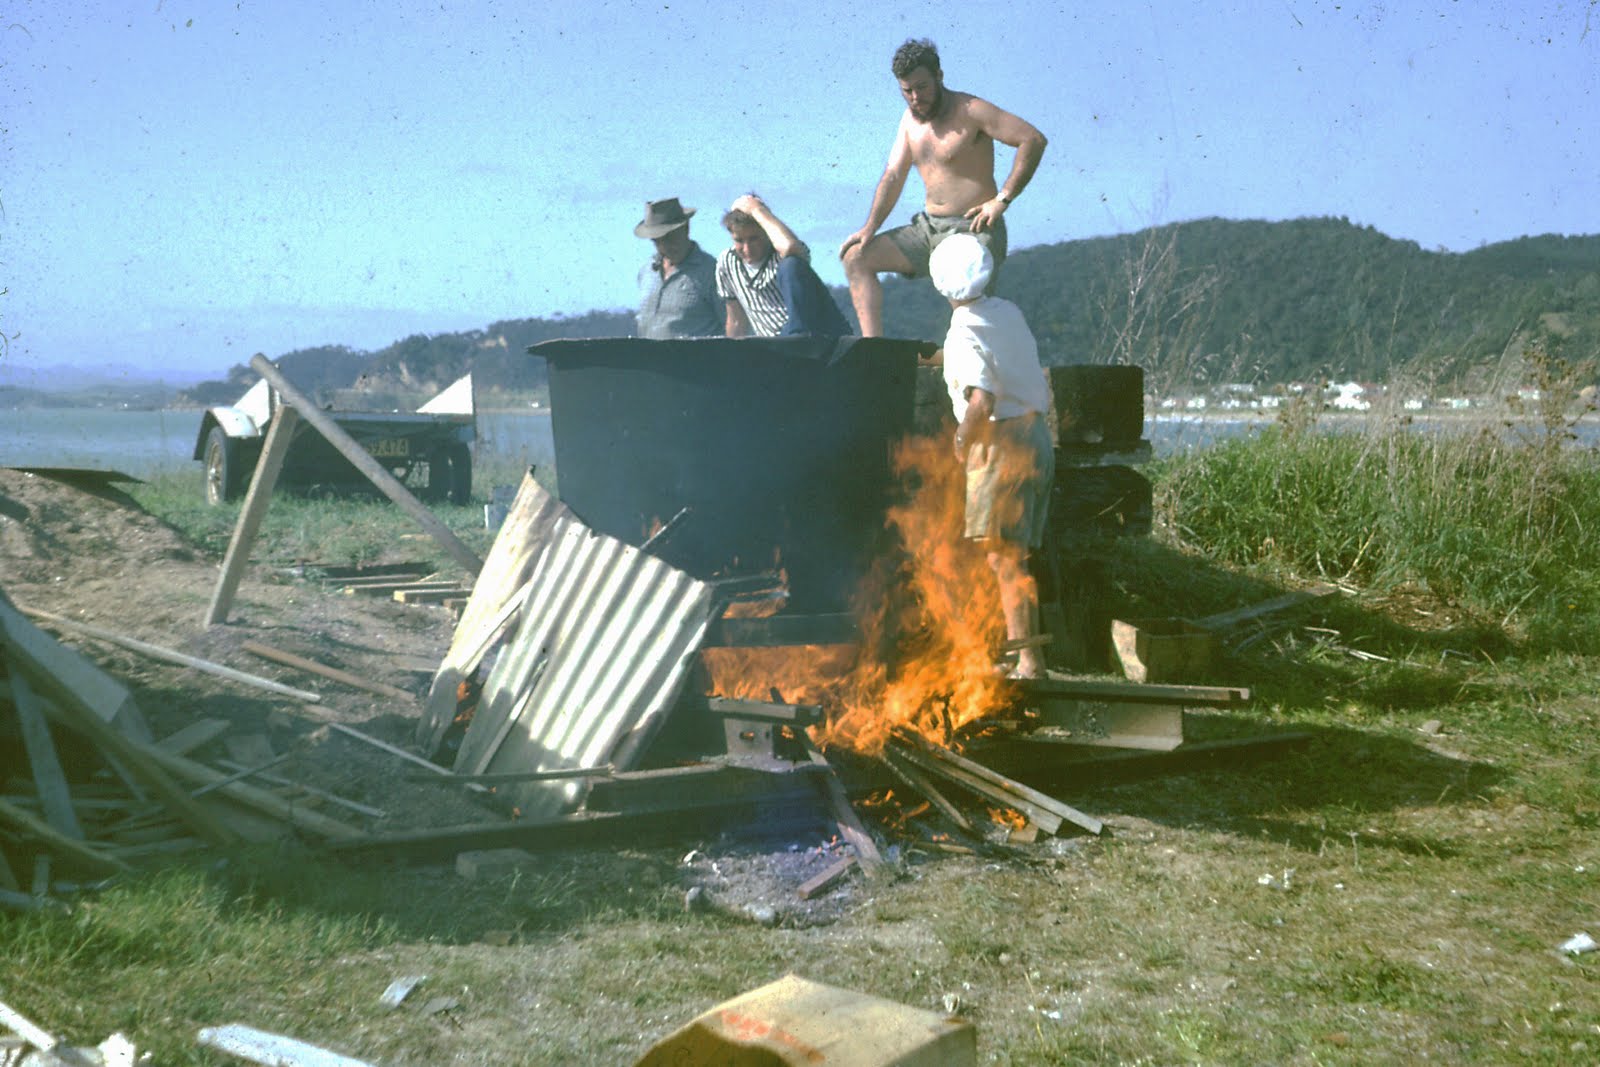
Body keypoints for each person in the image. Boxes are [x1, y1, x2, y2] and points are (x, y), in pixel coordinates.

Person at [839, 38, 1047, 337]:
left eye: (921, 87)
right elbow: (894, 176)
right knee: (856, 256)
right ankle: (875, 352)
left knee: (968, 323)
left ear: (939, 76)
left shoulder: (971, 110)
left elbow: (1032, 139)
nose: (914, 98)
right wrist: (869, 228)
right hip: (928, 229)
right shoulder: (910, 121)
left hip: (972, 227)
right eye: (906, 91)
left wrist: (1002, 199)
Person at [930, 233, 1054, 680]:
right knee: (1016, 557)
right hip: (1036, 436)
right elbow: (996, 354)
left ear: (941, 286)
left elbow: (981, 400)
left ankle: (1027, 662)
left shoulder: (962, 332)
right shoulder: (1007, 312)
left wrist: (962, 442)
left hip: (1000, 443)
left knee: (1004, 561)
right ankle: (1021, 655)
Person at [716, 194, 852, 337]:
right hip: (776, 343)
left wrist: (757, 210)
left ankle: (796, 338)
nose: (747, 249)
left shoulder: (783, 252)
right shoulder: (727, 261)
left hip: (818, 333)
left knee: (791, 264)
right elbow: (736, 320)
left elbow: (790, 247)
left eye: (754, 239)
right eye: (739, 241)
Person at [635, 197, 723, 339]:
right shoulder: (646, 271)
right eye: (657, 240)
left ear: (686, 228)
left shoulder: (712, 272)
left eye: (670, 237)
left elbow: (733, 327)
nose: (664, 246)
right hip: (649, 360)